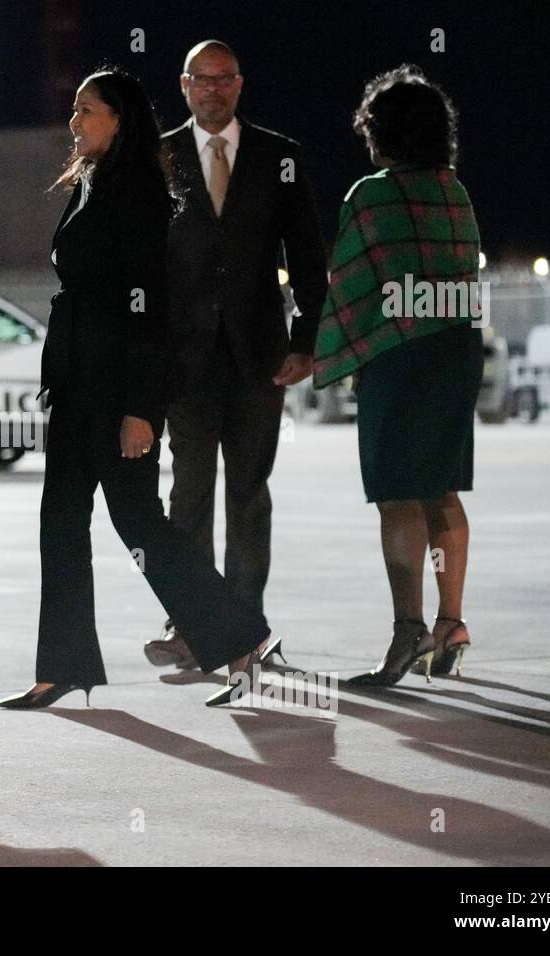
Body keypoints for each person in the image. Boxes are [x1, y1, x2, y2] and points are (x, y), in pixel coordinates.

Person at [0, 66, 277, 713]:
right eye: (73, 110)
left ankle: (242, 639)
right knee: (60, 522)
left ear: (119, 119)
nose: (74, 122)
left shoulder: (140, 193)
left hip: (119, 389)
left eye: (86, 110)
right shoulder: (93, 184)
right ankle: (62, 666)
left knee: (139, 524)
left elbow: (150, 312)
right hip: (74, 385)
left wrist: (141, 410)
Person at [144, 39, 328, 673]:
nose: (214, 90)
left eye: (225, 80)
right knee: (188, 496)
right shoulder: (159, 155)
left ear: (240, 85)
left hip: (261, 359)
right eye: (203, 79)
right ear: (185, 84)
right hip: (184, 360)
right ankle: (197, 624)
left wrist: (306, 341)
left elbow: (307, 254)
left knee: (249, 494)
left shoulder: (280, 157)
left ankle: (245, 630)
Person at [312, 65, 482, 685]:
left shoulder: (372, 194)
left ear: (379, 133)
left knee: (396, 496)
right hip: (456, 352)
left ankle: (407, 631)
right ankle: (451, 622)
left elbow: (350, 286)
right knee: (441, 490)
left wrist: (326, 350)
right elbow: (459, 285)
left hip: (399, 360)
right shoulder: (454, 192)